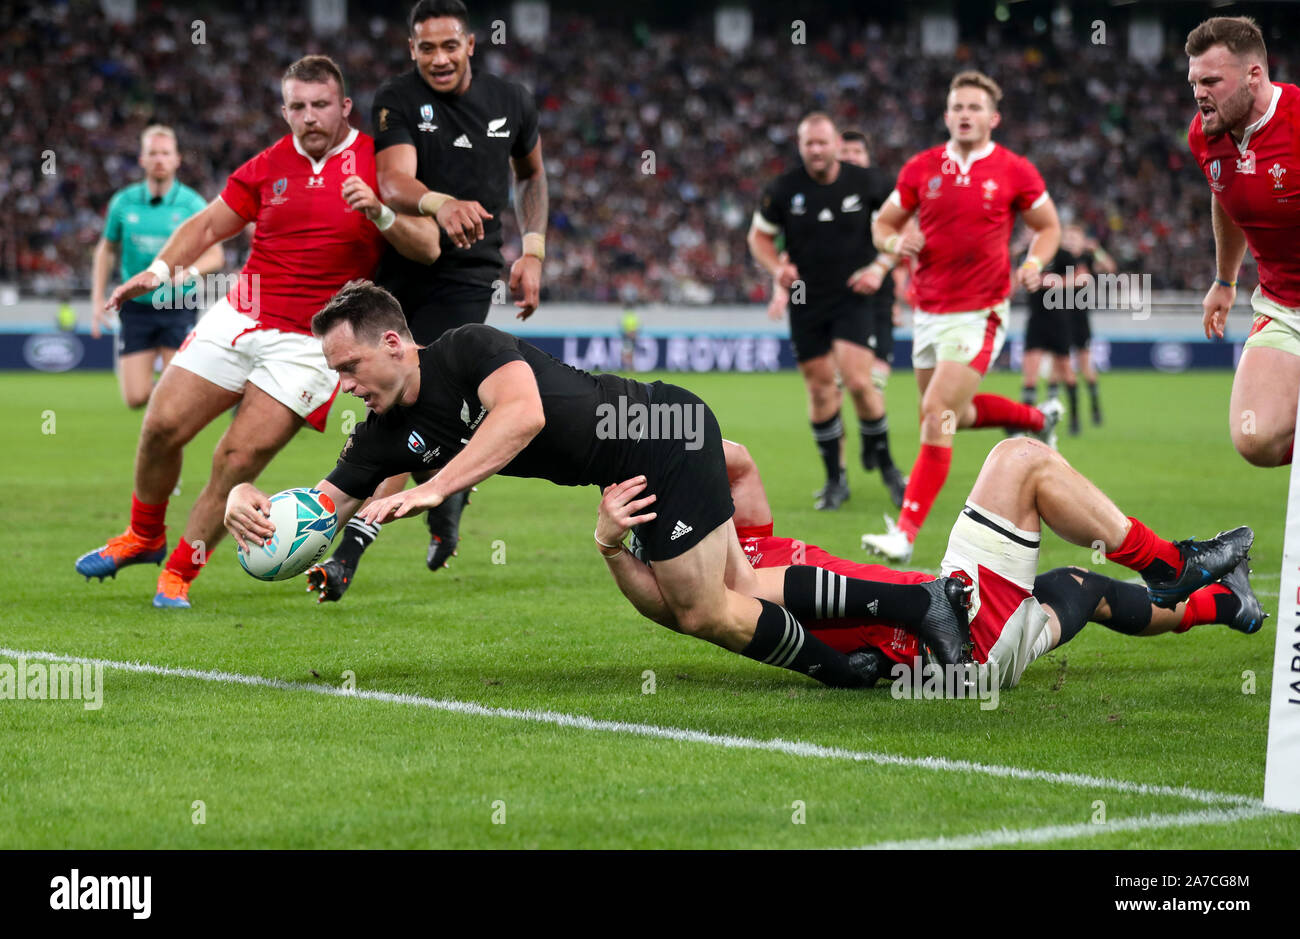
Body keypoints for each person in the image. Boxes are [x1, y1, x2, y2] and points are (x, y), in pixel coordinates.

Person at [226, 280, 975, 688]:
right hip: (639, 457)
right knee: (734, 587)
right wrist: (247, 501)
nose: (345, 384)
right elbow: (322, 506)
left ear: (393, 343)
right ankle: (891, 629)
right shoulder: (385, 430)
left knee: (700, 607)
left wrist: (434, 489)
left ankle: (868, 648)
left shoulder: (465, 348)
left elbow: (519, 416)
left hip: (657, 431)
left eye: (350, 366)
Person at [74, 56, 442, 609]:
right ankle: (144, 536)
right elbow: (205, 226)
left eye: (321, 105)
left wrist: (381, 214)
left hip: (311, 344)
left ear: (344, 107)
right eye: (298, 106)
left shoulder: (378, 164)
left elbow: (428, 246)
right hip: (240, 316)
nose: (310, 116)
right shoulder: (268, 163)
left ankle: (178, 572)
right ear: (284, 109)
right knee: (160, 426)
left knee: (236, 460)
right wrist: (156, 273)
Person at [601, 438, 1261, 688]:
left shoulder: (738, 542)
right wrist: (610, 545)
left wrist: (666, 456)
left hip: (974, 639)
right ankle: (1171, 562)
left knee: (1082, 587)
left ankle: (1226, 604)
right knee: (1020, 459)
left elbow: (736, 457)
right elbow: (674, 609)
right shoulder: (727, 589)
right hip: (958, 640)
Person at [309, 0, 549, 601]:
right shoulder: (396, 97)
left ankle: (348, 553)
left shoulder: (512, 101)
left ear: (471, 44)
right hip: (403, 263)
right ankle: (446, 492)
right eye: (425, 48)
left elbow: (532, 175)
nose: (438, 59)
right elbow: (393, 181)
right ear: (411, 49)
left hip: (468, 275)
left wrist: (534, 252)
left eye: (448, 46)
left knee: (403, 411)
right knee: (406, 410)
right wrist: (442, 202)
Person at [863, 70, 1064, 563]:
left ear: (993, 117)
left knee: (936, 414)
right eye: (957, 107)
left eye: (975, 108)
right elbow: (882, 223)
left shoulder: (1015, 170)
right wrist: (894, 241)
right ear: (946, 115)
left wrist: (1034, 262)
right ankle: (1039, 418)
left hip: (979, 312)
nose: (965, 115)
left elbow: (1048, 226)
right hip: (927, 311)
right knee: (951, 414)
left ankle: (905, 534)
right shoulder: (920, 168)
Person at [748, 113, 905, 513]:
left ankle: (887, 466)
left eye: (822, 142)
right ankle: (835, 481)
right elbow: (758, 237)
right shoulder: (784, 189)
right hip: (805, 299)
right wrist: (777, 270)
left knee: (856, 381)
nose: (816, 150)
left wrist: (878, 269)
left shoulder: (868, 182)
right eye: (809, 144)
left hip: (853, 295)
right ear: (801, 147)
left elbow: (899, 229)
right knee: (820, 389)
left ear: (836, 144)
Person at [1186, 15, 1300, 468]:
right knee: (1255, 437)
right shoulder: (1204, 135)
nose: (1199, 93)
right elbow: (1225, 196)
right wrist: (1225, 280)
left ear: (1254, 75)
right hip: (1283, 305)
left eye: (1211, 80)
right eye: (1194, 81)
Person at [90, 125, 224, 408]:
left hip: (176, 304)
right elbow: (107, 249)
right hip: (136, 306)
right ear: (142, 159)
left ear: (177, 159)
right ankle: (200, 392)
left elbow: (215, 256)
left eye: (166, 153)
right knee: (135, 398)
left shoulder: (192, 204)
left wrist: (190, 272)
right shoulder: (123, 203)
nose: (159, 159)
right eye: (153, 153)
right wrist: (97, 298)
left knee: (174, 398)